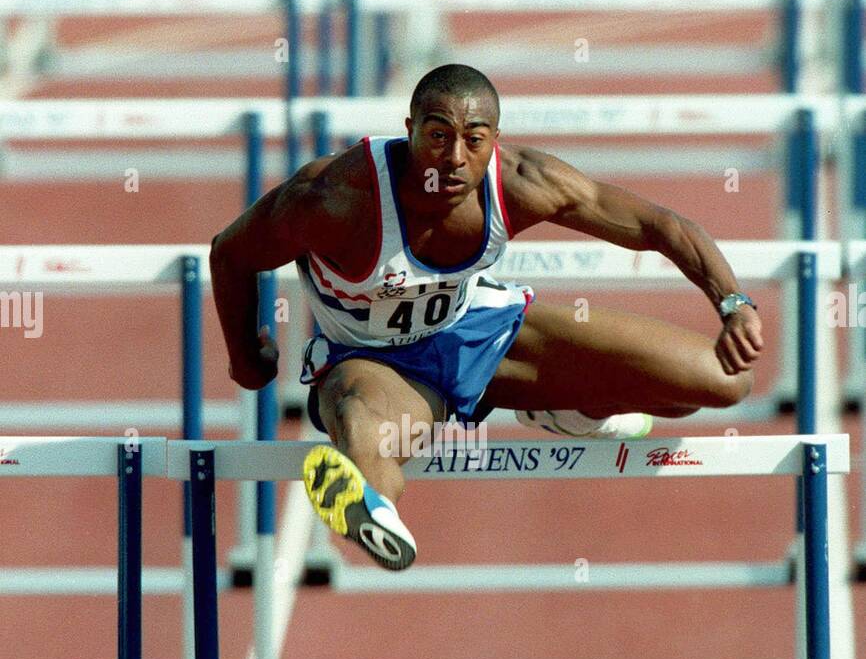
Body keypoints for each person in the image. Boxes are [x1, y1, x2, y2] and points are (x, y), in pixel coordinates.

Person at [210, 63, 763, 572]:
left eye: (472, 141)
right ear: (409, 130)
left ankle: (572, 412)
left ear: (493, 141)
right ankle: (373, 511)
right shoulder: (334, 198)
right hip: (375, 364)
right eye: (437, 136)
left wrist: (733, 304)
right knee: (364, 427)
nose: (452, 159)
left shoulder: (521, 181)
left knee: (717, 381)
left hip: (481, 332)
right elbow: (232, 252)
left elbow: (658, 225)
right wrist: (246, 360)